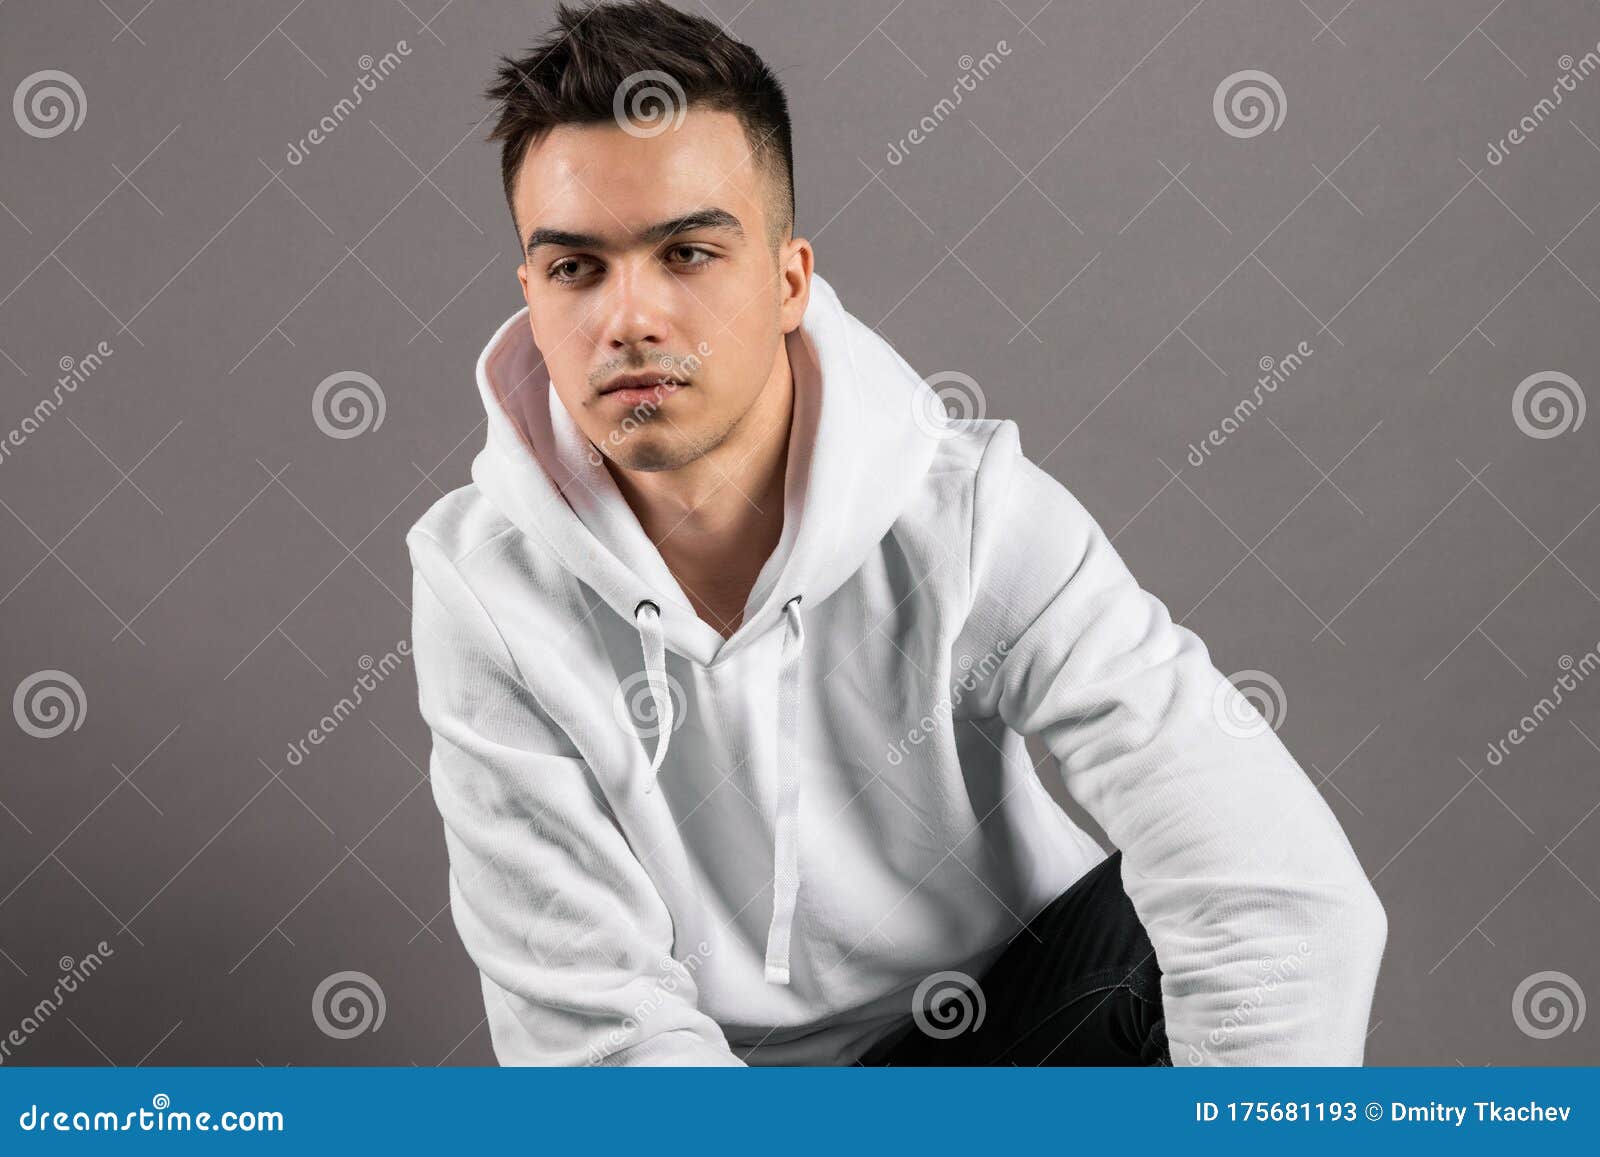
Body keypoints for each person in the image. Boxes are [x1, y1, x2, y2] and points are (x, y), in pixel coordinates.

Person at [405, 0, 1387, 1067]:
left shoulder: (969, 517)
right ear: (531, 296)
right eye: (575, 268)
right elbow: (599, 1039)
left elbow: (1285, 894)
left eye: (686, 252)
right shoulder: (485, 585)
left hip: (1024, 1040)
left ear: (788, 281)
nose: (627, 317)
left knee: (1181, 924)